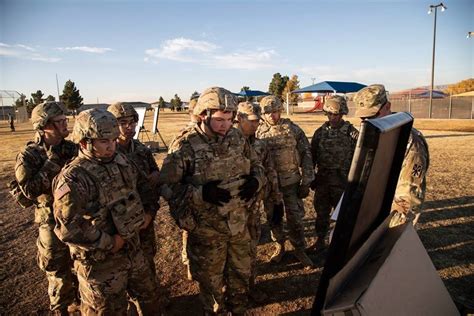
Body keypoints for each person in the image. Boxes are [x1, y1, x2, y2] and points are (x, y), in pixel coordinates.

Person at [159, 87, 265, 314]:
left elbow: (257, 165)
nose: (225, 125)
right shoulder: (185, 145)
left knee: (240, 278)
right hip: (207, 233)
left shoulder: (237, 137)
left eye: (229, 119)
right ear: (202, 116)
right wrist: (201, 193)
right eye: (219, 119)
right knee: (212, 288)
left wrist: (256, 181)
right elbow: (166, 185)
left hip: (238, 226)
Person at [52, 108, 160, 315]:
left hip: (134, 251)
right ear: (84, 142)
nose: (111, 145)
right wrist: (109, 242)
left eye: (112, 139)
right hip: (101, 264)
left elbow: (146, 189)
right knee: (106, 310)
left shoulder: (122, 161)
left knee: (150, 300)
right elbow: (68, 228)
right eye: (103, 141)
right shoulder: (74, 178)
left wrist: (149, 212)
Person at [14, 101, 78, 315]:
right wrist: (51, 163)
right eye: (59, 121)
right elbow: (29, 191)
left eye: (64, 120)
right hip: (50, 221)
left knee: (80, 264)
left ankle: (79, 303)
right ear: (44, 126)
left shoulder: (71, 148)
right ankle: (60, 309)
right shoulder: (29, 155)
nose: (64, 124)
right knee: (57, 270)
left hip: (75, 216)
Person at [353, 84, 430, 225]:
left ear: (387, 106)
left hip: (395, 211)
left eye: (372, 115)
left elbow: (408, 196)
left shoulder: (410, 141)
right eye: (363, 118)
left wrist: (392, 225)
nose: (367, 122)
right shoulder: (371, 133)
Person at [256, 95, 315, 267]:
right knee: (273, 217)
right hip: (270, 186)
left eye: (275, 112)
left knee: (295, 218)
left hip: (291, 183)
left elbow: (306, 155)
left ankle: (299, 248)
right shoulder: (258, 132)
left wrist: (307, 180)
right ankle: (279, 245)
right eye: (268, 113)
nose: (272, 116)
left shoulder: (293, 130)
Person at [234, 101, 283, 302]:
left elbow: (270, 173)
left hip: (253, 209)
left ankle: (250, 286)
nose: (255, 125)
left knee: (251, 247)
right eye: (252, 121)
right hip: (231, 210)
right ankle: (232, 292)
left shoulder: (260, 145)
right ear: (240, 119)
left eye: (257, 121)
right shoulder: (228, 144)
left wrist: (277, 200)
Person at [309, 95, 358, 252]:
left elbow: (360, 158)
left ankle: (340, 243)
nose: (332, 117)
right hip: (323, 182)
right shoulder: (320, 133)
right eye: (329, 114)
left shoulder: (352, 133)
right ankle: (320, 240)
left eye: (335, 114)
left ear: (342, 113)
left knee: (343, 216)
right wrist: (312, 177)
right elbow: (312, 156)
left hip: (343, 182)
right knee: (321, 214)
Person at [164, 93, 200, 281]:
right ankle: (189, 263)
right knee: (189, 231)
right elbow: (171, 177)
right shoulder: (183, 138)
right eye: (196, 112)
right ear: (191, 113)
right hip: (188, 195)